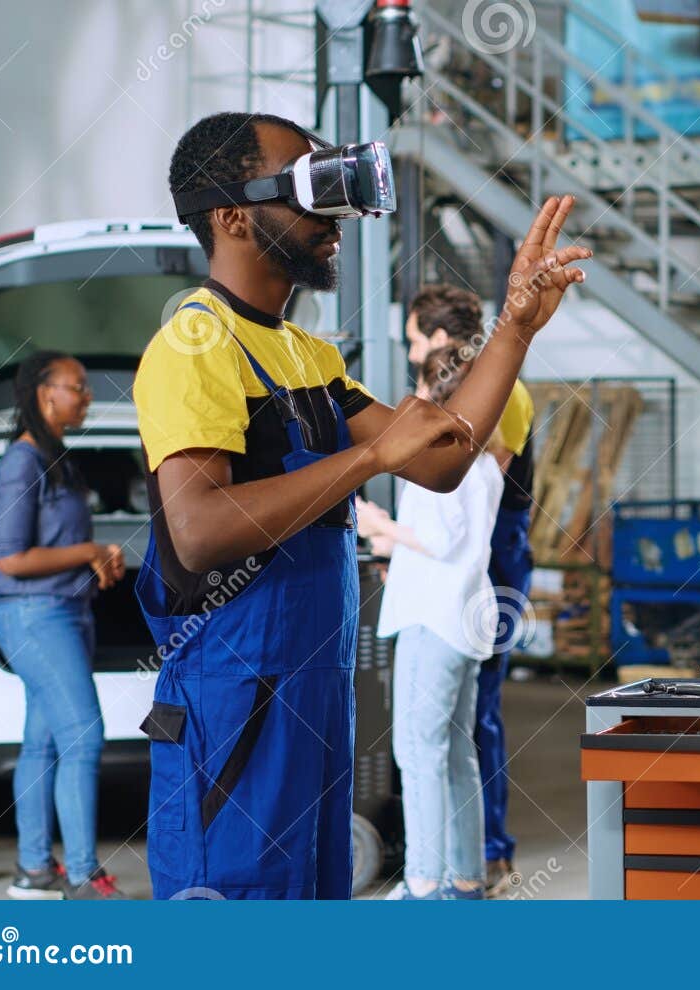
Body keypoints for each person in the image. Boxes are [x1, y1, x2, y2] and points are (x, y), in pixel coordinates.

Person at [132, 110, 588, 900]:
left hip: (313, 704)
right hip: (232, 714)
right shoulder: (193, 347)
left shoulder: (307, 355)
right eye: (309, 192)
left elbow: (443, 461)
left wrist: (515, 326)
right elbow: (200, 530)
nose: (335, 216)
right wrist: (369, 458)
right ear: (232, 215)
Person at [401, 285, 533, 896]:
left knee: (465, 724)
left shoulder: (497, 395)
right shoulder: (489, 388)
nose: (411, 355)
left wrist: (402, 535)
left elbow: (464, 495)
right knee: (460, 731)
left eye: (415, 342)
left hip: (490, 561)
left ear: (439, 342)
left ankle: (465, 865)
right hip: (477, 563)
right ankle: (467, 871)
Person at [0, 351, 128, 900]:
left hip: (64, 612)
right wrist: (89, 550)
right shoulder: (21, 462)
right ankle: (83, 877)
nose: (87, 397)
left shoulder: (54, 458)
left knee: (42, 744)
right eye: (79, 387)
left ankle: (35, 872)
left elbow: (53, 543)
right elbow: (9, 558)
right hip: (35, 617)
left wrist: (94, 556)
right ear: (46, 394)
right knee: (83, 736)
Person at [375, 347, 503, 899]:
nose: (417, 398)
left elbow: (440, 538)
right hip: (464, 617)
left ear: (440, 397)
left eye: (424, 387)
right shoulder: (485, 462)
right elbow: (456, 542)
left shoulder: (442, 462)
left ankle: (423, 884)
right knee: (455, 752)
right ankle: (466, 879)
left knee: (417, 752)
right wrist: (399, 549)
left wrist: (379, 525)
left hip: (433, 619)